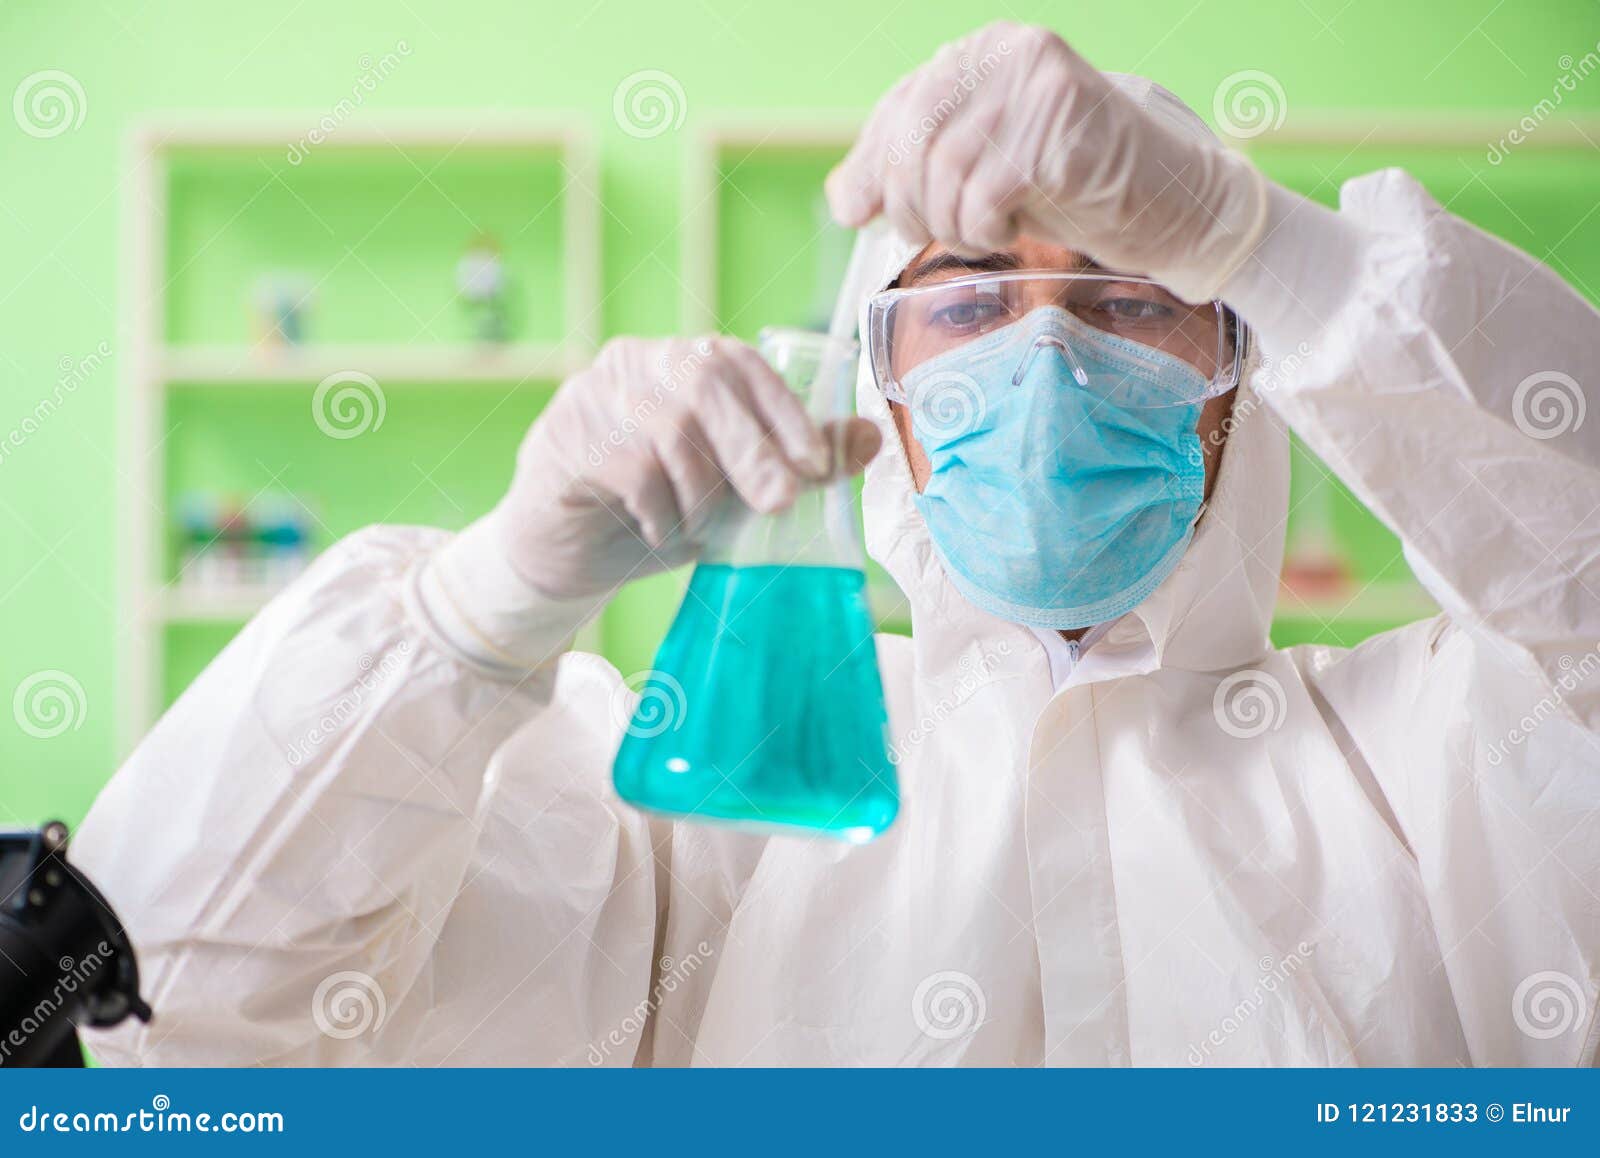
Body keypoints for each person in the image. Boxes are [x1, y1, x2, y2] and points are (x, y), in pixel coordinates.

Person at [78, 23, 1599, 1066]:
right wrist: (486, 601)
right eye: (968, 300)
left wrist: (1276, 243)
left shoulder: (1438, 754)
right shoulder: (688, 804)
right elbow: (176, 1023)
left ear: (1239, 374)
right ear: (876, 383)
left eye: (1138, 290)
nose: (1050, 356)